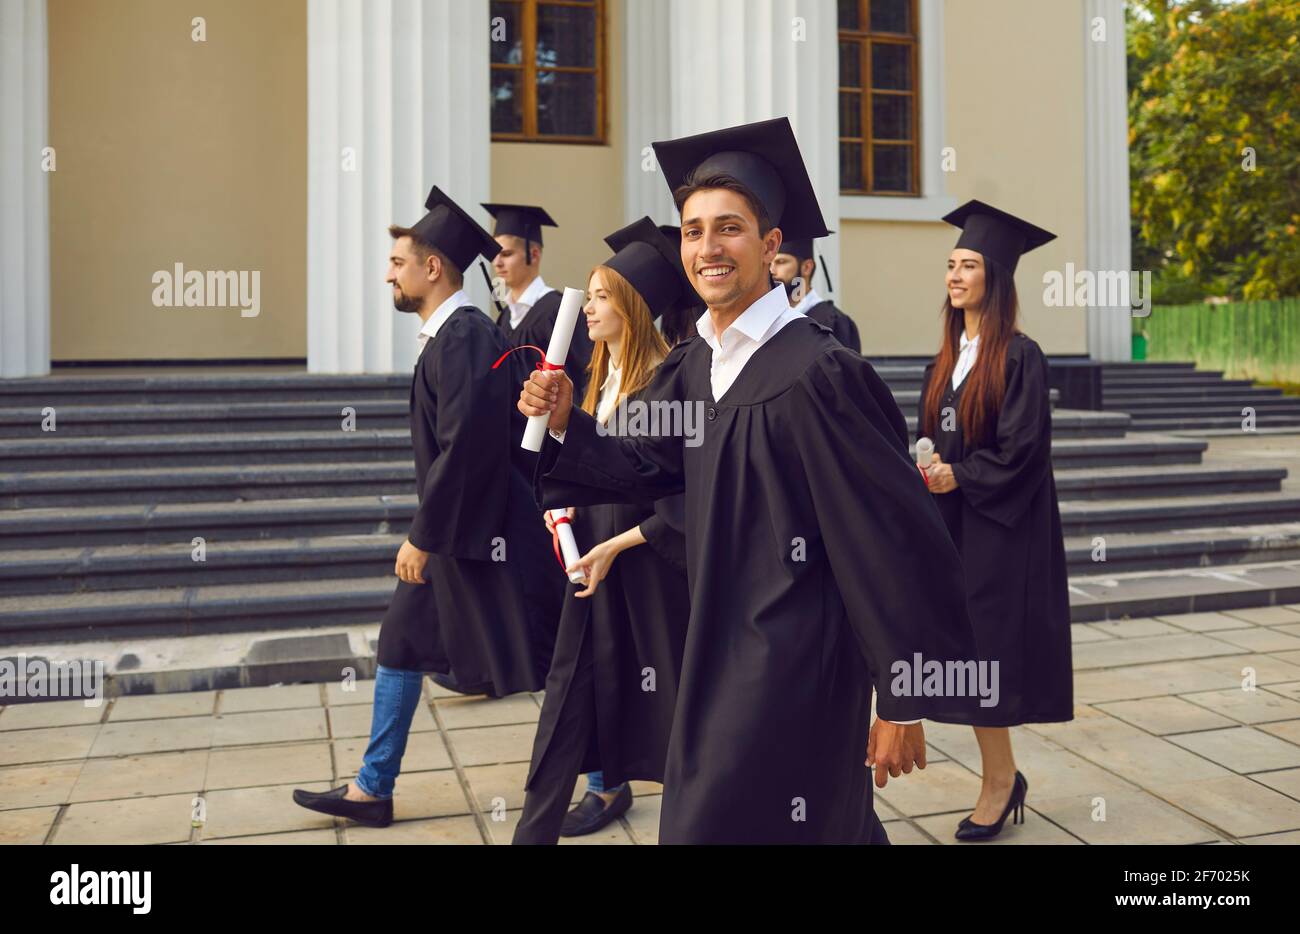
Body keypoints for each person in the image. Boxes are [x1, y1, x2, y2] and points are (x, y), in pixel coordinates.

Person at [518, 118, 979, 844]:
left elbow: (894, 538)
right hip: (712, 641)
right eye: (693, 231)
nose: (707, 248)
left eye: (728, 228)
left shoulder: (821, 373)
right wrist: (572, 420)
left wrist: (903, 695)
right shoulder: (694, 367)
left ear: (772, 246)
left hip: (795, 659)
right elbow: (644, 467)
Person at [292, 187, 563, 828]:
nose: (389, 272)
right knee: (403, 641)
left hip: (487, 531)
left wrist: (424, 534)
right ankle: (371, 789)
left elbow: (466, 443)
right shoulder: (451, 334)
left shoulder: (464, 333)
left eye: (397, 262)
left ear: (432, 267)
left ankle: (608, 779)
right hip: (465, 528)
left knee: (553, 652)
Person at [513, 217, 693, 844]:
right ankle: (533, 832)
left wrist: (614, 544)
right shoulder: (598, 377)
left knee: (673, 727)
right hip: (590, 571)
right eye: (587, 295)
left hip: (653, 580)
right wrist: (561, 511)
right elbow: (594, 469)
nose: (586, 307)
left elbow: (681, 494)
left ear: (634, 307)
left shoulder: (672, 381)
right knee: (564, 701)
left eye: (599, 296)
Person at [916, 199, 1073, 840]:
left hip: (1002, 534)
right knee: (968, 655)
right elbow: (933, 437)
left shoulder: (1019, 356)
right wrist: (924, 465)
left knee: (989, 659)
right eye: (951, 265)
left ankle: (1000, 782)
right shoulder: (949, 357)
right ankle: (1003, 775)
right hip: (956, 529)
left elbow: (1024, 451)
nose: (954, 276)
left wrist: (961, 475)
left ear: (996, 278)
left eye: (969, 265)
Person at [484, 202, 595, 401]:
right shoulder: (506, 316)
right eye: (494, 255)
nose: (497, 263)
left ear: (534, 254)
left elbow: (585, 377)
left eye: (506, 254)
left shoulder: (558, 310)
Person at [770, 235, 861, 351]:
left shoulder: (834, 323)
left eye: (781, 262)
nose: (771, 271)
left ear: (807, 267)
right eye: (769, 264)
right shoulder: (770, 321)